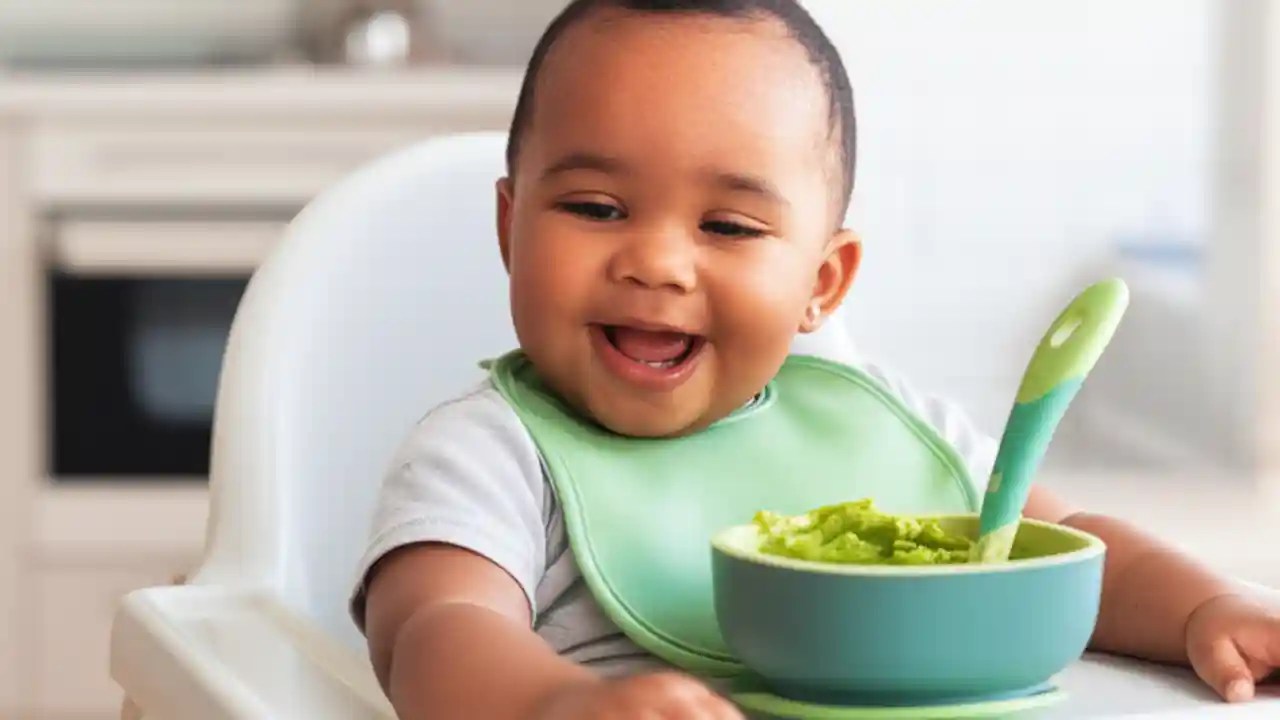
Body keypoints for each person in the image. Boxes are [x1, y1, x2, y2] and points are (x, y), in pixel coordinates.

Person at [352, 2, 1280, 717]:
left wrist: (1206, 608)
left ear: (822, 283)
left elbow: (1066, 550)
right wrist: (559, 705)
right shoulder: (490, 455)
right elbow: (434, 631)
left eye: (729, 225)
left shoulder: (879, 429)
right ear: (512, 228)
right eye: (596, 208)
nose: (656, 263)